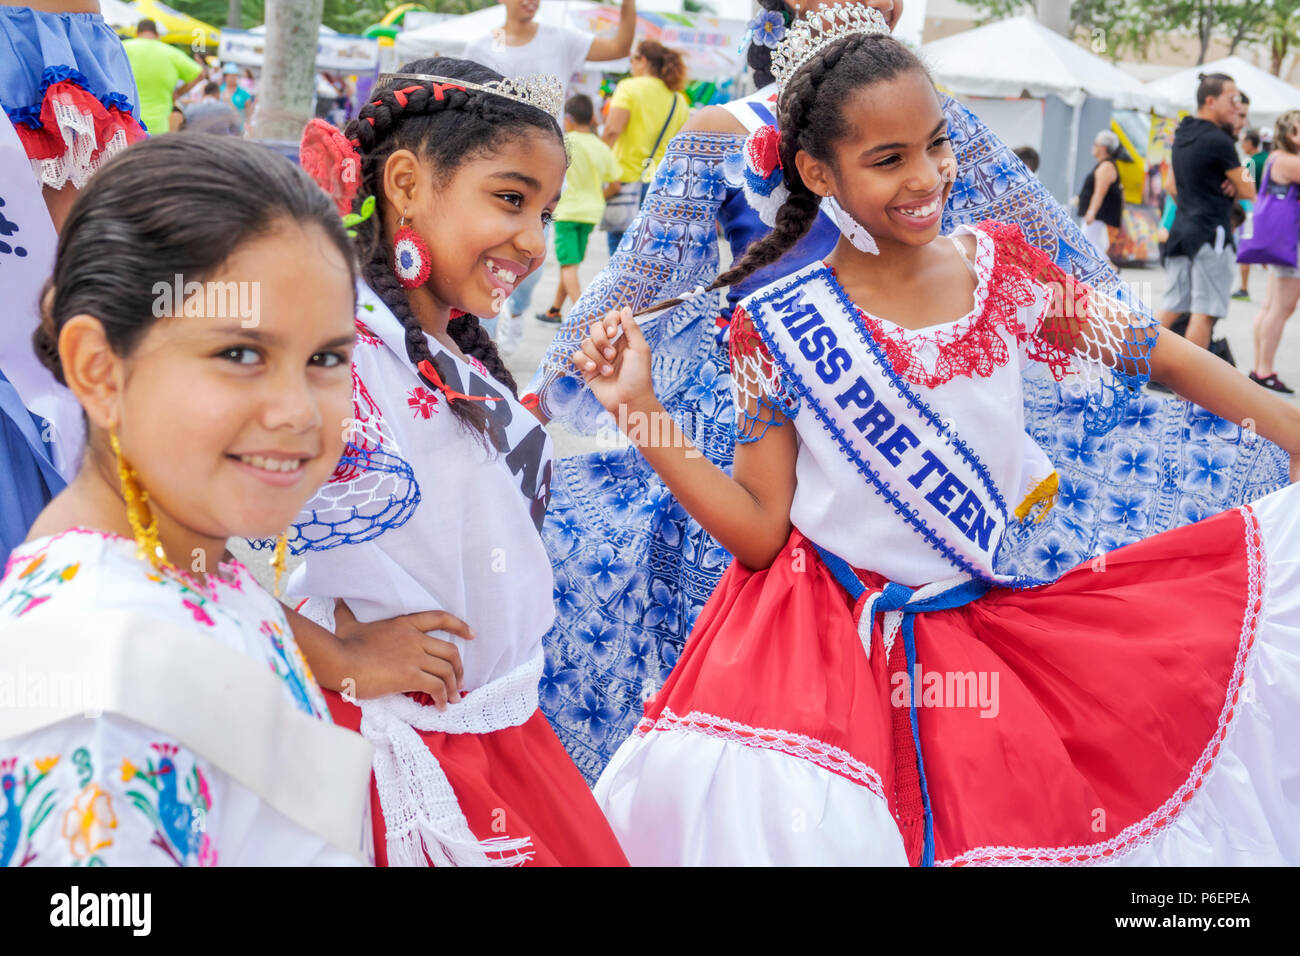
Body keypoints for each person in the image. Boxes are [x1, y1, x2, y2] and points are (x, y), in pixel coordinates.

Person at [578, 11, 1300, 866]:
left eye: (936, 145)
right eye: (888, 160)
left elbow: (1161, 357)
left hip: (976, 617)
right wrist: (640, 412)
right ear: (816, 170)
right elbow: (761, 530)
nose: (926, 177)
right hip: (817, 645)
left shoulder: (1002, 269)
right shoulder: (770, 327)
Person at [0, 134, 372, 866]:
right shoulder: (97, 707)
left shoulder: (191, 563)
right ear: (99, 370)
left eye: (326, 358)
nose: (298, 410)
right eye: (240, 355)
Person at [293, 58, 628, 867]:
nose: (534, 241)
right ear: (406, 183)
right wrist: (337, 657)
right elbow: (170, 546)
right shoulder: (329, 350)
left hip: (503, 744)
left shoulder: (455, 352)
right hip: (392, 758)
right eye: (509, 200)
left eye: (546, 212)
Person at [464, 0, 637, 354]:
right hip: (493, 175)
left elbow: (620, 47)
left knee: (531, 267)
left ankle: (518, 309)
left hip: (543, 179)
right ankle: (484, 346)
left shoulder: (561, 40)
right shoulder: (479, 48)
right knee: (492, 259)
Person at [1156, 72, 1256, 350]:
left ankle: (1127, 367)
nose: (1236, 106)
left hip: (1181, 231)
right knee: (1203, 313)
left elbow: (1171, 185)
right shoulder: (1219, 141)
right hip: (1212, 234)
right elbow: (1249, 191)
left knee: (1172, 307)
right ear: (1210, 100)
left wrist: (1199, 192)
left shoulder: (1183, 132)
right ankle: (1188, 393)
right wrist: (1232, 184)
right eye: (1232, 99)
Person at [600, 39, 690, 255]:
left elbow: (612, 130)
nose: (630, 65)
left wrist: (598, 164)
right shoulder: (679, 99)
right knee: (648, 252)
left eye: (632, 59)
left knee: (619, 251)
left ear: (643, 60)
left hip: (626, 179)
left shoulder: (629, 87)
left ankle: (621, 289)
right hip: (663, 184)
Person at [538, 94, 620, 323]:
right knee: (571, 263)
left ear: (569, 118)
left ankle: (583, 315)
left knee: (568, 265)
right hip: (591, 213)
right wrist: (596, 196)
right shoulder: (601, 147)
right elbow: (615, 184)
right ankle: (554, 309)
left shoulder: (562, 142)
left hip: (567, 211)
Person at [1249, 110, 1300, 394]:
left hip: (1281, 239)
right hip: (1290, 241)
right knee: (1282, 308)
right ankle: (1265, 370)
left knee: (1271, 306)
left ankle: (1260, 367)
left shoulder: (1274, 158)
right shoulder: (1290, 161)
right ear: (1292, 133)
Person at [121, 18, 202, 137]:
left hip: (127, 125)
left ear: (137, 33)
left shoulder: (123, 48)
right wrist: (178, 93)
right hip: (159, 128)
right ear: (157, 35)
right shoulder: (171, 53)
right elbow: (200, 74)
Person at [1077, 129, 1123, 263]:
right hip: (1097, 216)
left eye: (1095, 144)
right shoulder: (1103, 165)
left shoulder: (1106, 166)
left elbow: (1099, 192)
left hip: (1099, 216)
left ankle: (1110, 270)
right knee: (1091, 244)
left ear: (1103, 148)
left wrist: (1091, 212)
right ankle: (1108, 271)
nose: (1093, 147)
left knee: (1089, 244)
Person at [1234, 127, 1267, 300]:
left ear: (1249, 143)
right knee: (1266, 248)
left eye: (1243, 141)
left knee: (1245, 248)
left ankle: (1244, 288)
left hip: (1250, 210)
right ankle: (1275, 286)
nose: (1241, 144)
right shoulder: (1268, 158)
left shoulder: (1249, 163)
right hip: (1267, 209)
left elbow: (1244, 189)